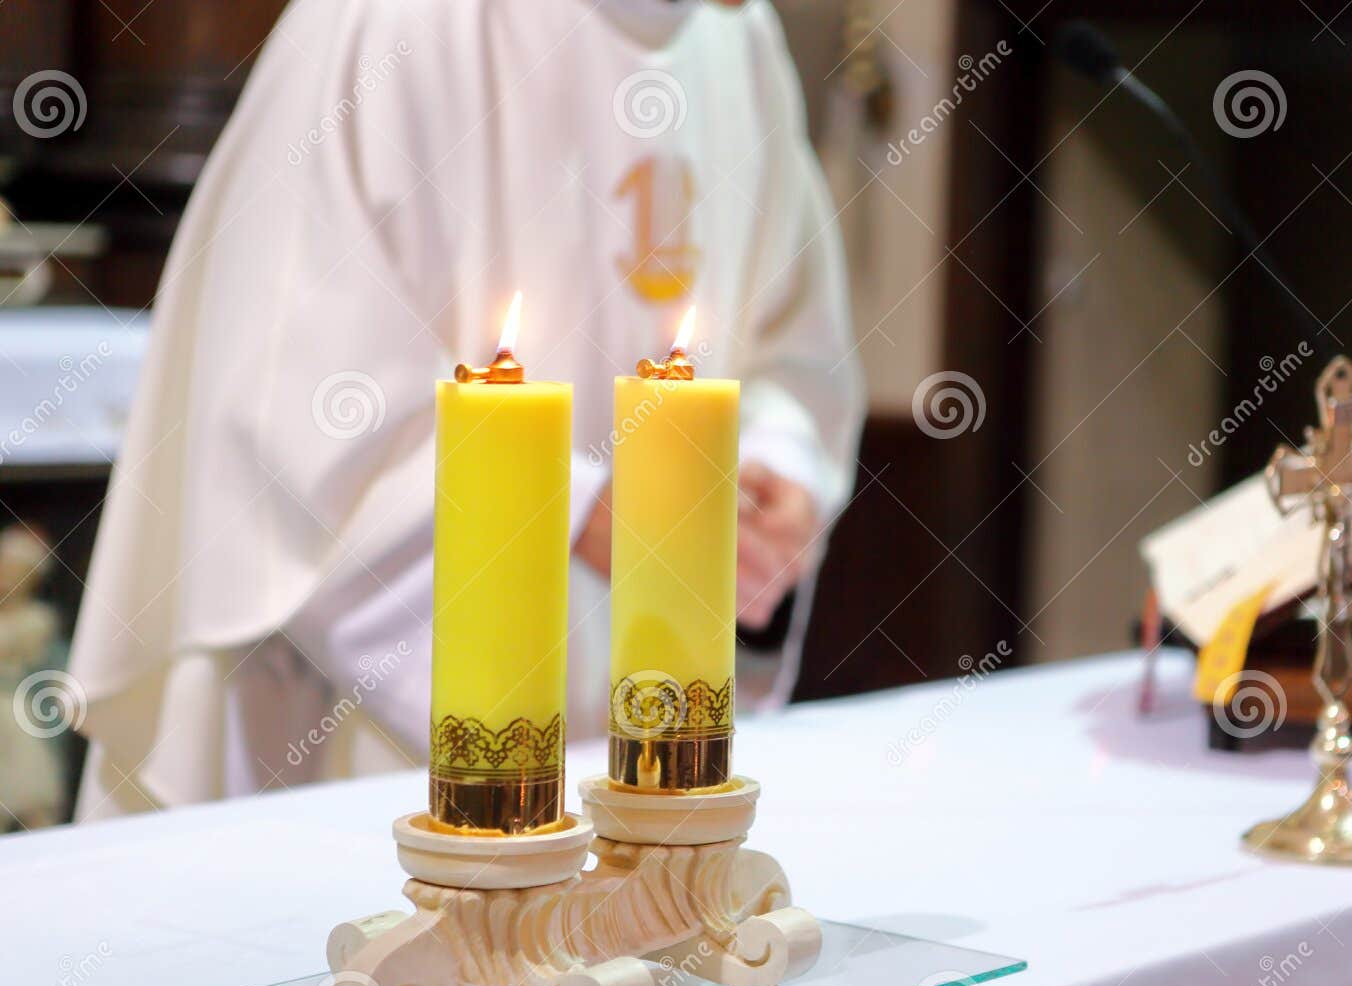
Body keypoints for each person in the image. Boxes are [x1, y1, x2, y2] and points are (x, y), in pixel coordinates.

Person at [69, 0, 864, 820]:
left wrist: (777, 475)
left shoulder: (739, 36)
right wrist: (582, 508)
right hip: (357, 757)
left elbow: (794, 351)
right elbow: (293, 413)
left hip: (647, 756)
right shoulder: (387, 24)